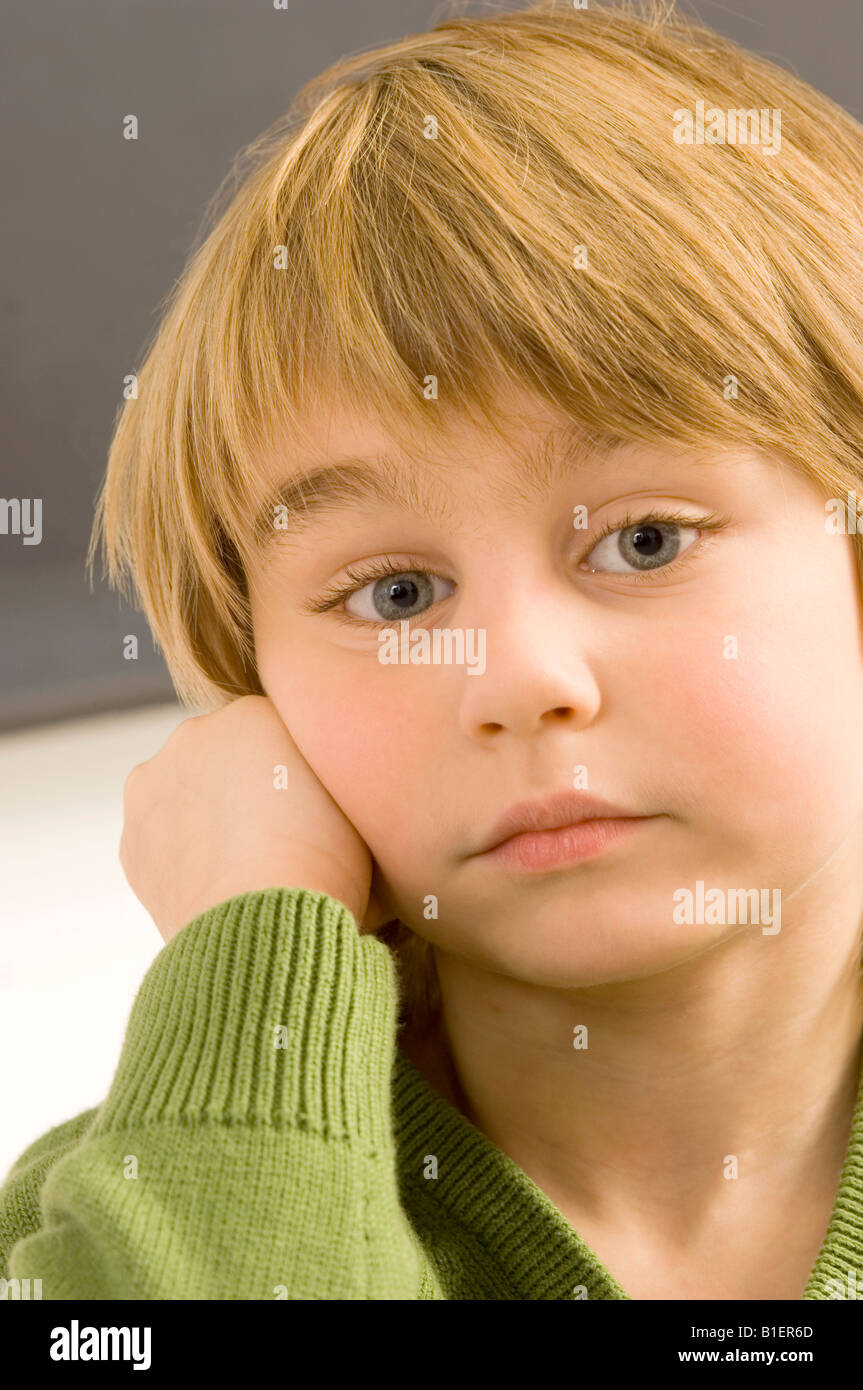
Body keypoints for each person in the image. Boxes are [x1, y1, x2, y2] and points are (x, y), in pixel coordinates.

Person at [3, 0, 863, 1300]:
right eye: (397, 592)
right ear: (261, 699)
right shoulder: (138, 1217)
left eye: (643, 541)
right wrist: (256, 933)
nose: (522, 679)